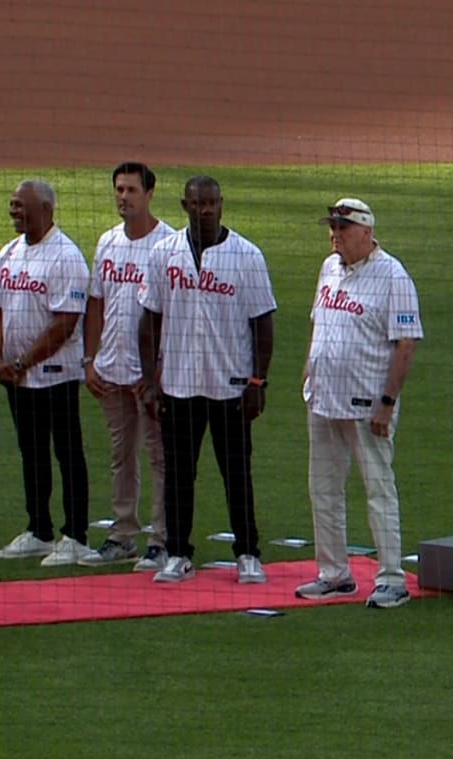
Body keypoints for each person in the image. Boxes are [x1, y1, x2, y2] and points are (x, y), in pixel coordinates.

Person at [137, 176, 275, 585]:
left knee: (237, 473)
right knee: (178, 473)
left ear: (222, 204)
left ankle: (248, 552)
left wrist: (257, 382)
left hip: (230, 385)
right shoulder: (164, 254)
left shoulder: (247, 256)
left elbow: (263, 324)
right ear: (185, 206)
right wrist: (149, 381)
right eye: (198, 204)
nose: (206, 210)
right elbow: (149, 321)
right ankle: (178, 552)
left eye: (213, 203)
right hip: (178, 385)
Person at [293, 198, 423, 609]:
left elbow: (406, 344)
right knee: (323, 489)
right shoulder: (329, 268)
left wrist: (387, 401)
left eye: (343, 228)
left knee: (378, 490)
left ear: (366, 232)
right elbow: (320, 324)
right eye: (332, 227)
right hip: (323, 398)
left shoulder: (393, 276)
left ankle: (391, 579)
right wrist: (308, 369)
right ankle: (333, 574)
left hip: (368, 404)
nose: (335, 235)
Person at [0, 179, 93, 566]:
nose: (13, 211)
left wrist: (21, 362)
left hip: (55, 375)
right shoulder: (9, 253)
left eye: (20, 205)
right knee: (30, 452)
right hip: (18, 378)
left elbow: (65, 323)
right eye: (12, 204)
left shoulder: (66, 256)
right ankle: (39, 530)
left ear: (45, 209)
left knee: (67, 452)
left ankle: (77, 534)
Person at [80, 162, 177, 571]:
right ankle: (122, 534)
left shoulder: (169, 244)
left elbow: (174, 314)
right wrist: (89, 359)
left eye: (131, 190)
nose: (123, 197)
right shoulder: (107, 242)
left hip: (150, 375)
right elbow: (96, 303)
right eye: (119, 189)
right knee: (121, 455)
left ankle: (163, 539)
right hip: (110, 368)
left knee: (159, 456)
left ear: (149, 193)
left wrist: (156, 371)